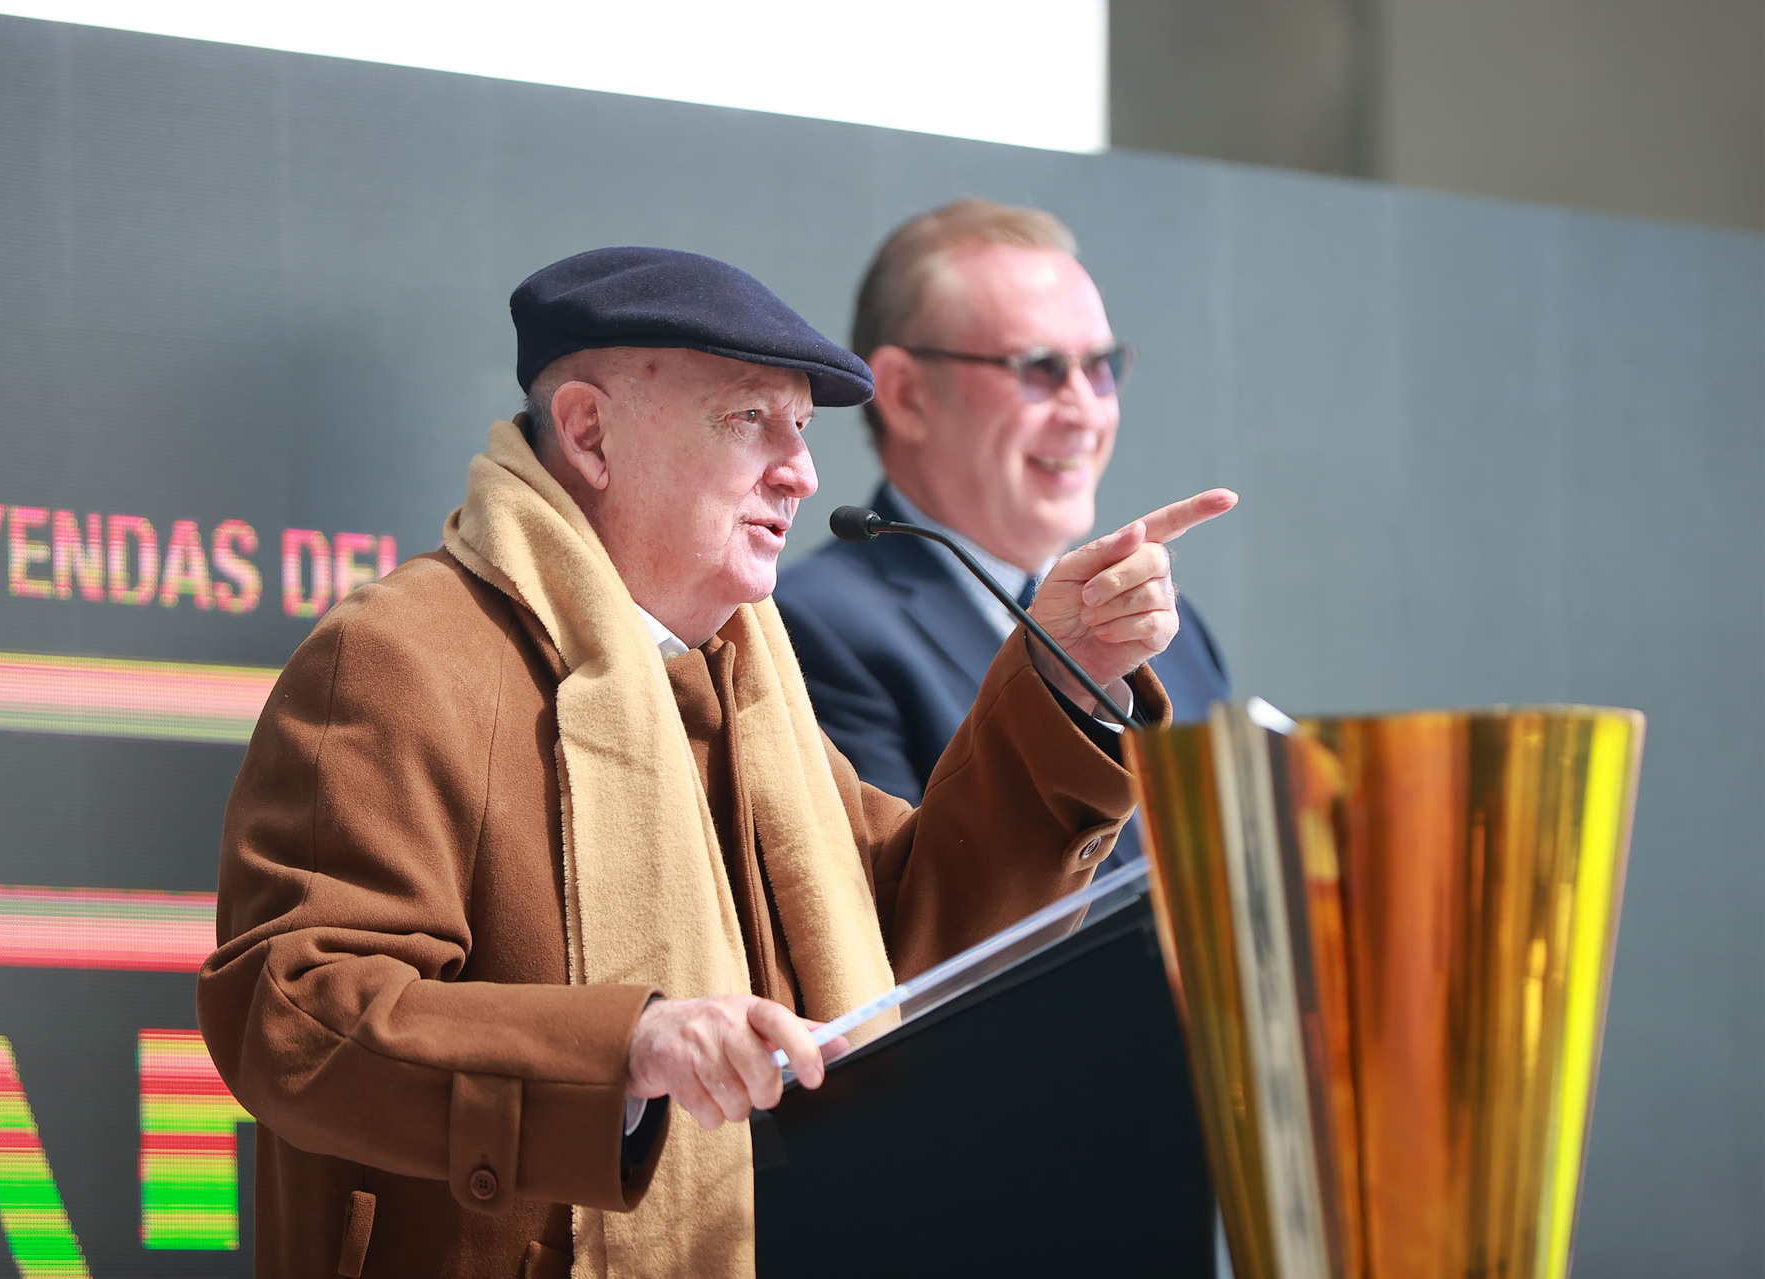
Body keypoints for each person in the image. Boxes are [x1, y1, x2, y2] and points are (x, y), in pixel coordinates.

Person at [196, 246, 1232, 1279]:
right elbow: (290, 1009)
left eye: (804, 428)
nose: (803, 469)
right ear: (590, 435)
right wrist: (629, 1050)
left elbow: (906, 942)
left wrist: (1061, 677)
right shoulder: (399, 658)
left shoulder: (743, 673)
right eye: (750, 420)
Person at [777, 200, 1233, 842]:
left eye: (1101, 368)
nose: (1085, 412)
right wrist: (1061, 698)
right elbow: (910, 921)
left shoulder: (1164, 629)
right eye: (1041, 369)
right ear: (907, 395)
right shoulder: (812, 629)